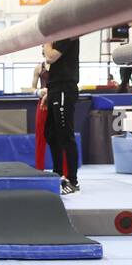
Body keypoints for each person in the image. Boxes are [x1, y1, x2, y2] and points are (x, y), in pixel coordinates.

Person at [43, 26, 80, 194]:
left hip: (65, 88)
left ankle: (73, 180)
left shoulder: (68, 33)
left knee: (65, 133)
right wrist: (49, 93)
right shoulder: (58, 36)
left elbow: (50, 58)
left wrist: (45, 40)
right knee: (50, 133)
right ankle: (57, 174)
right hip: (56, 88)